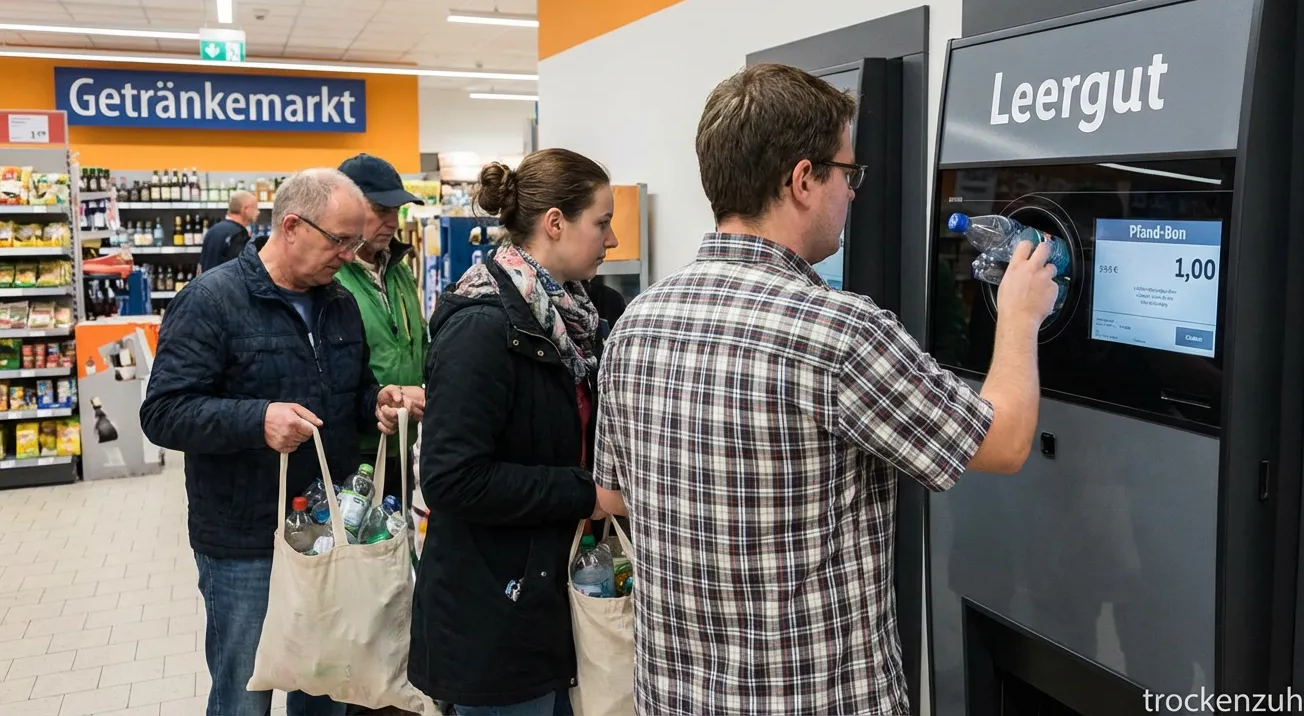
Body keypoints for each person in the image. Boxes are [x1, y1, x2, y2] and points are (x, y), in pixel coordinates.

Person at [591, 63, 1059, 715]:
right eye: (849, 174)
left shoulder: (637, 321)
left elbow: (613, 493)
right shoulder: (840, 332)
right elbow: (1004, 440)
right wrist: (1020, 315)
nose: (854, 193)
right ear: (804, 180)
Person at [140, 168, 411, 716]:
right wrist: (257, 420)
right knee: (245, 694)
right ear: (291, 226)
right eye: (340, 239)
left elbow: (350, 393)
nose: (348, 253)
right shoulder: (211, 301)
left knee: (326, 689)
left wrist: (378, 403)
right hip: (245, 540)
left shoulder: (339, 303)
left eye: (355, 240)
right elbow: (163, 412)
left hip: (327, 534)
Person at [409, 149, 621, 716]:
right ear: (555, 222)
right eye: (601, 222)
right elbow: (452, 479)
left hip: (559, 595)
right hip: (493, 616)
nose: (613, 239)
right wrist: (588, 495)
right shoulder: (482, 327)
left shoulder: (587, 315)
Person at [335, 153, 428, 501]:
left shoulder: (398, 267)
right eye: (381, 210)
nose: (392, 221)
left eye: (397, 211)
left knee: (394, 544)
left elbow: (418, 340)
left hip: (401, 440)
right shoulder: (331, 275)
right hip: (353, 449)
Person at [199, 189, 259, 273]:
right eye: (255, 208)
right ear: (245, 209)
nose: (258, 212)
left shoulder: (213, 230)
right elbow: (241, 272)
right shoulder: (238, 235)